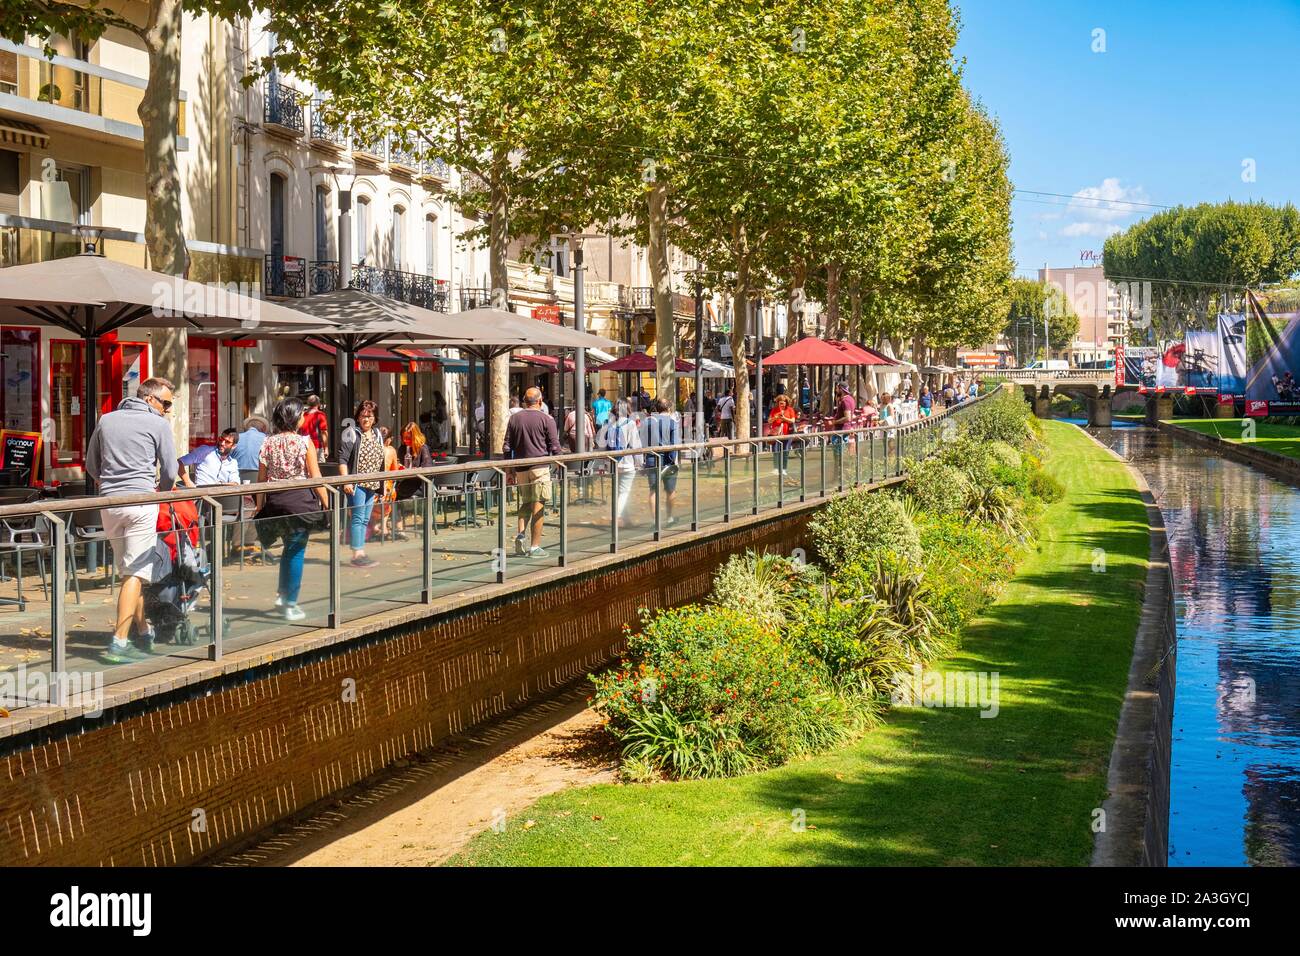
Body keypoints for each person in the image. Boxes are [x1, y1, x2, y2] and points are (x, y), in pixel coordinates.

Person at [85, 377, 179, 663]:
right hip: (141, 502)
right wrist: (159, 493)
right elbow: (171, 470)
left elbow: (91, 464)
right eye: (166, 403)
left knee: (130, 573)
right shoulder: (158, 425)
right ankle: (119, 642)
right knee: (135, 572)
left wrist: (109, 483)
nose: (167, 410)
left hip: (110, 503)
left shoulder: (107, 420)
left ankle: (143, 630)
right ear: (149, 399)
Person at [255, 397, 329, 622]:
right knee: (297, 550)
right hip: (299, 503)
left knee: (288, 548)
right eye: (302, 413)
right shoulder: (305, 442)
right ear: (295, 418)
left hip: (276, 502)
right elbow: (315, 477)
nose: (304, 417)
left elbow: (261, 480)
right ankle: (291, 602)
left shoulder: (267, 443)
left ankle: (282, 594)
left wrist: (260, 508)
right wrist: (327, 503)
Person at [503, 386, 561, 558]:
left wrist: (509, 470)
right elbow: (555, 446)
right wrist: (560, 465)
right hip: (540, 467)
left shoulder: (514, 419)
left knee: (526, 502)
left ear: (524, 402)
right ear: (540, 401)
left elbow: (507, 446)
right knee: (539, 505)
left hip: (521, 468)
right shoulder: (547, 419)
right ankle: (535, 546)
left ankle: (521, 534)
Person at [337, 399, 385, 568]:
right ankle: (357, 553)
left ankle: (360, 550)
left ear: (375, 418)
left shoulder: (378, 434)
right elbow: (342, 459)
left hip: (372, 484)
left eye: (369, 416)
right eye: (363, 416)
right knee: (358, 518)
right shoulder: (352, 433)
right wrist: (346, 481)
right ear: (357, 417)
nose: (366, 419)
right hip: (357, 483)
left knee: (365, 518)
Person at [604, 400, 643, 529]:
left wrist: (606, 464)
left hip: (613, 463)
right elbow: (636, 445)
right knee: (624, 492)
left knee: (619, 492)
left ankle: (626, 520)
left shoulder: (610, 424)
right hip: (627, 463)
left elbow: (605, 446)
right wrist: (639, 462)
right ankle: (615, 517)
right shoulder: (630, 424)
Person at [641, 398, 681, 526]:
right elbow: (674, 445)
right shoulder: (672, 422)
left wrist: (645, 458)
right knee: (670, 490)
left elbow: (643, 441)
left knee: (653, 491)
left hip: (652, 459)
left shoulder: (648, 422)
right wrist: (672, 461)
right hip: (667, 461)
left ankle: (654, 521)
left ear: (656, 409)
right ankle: (669, 518)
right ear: (669, 408)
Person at [767, 393, 797, 476]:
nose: (781, 405)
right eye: (780, 403)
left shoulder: (790, 409)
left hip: (787, 433)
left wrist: (784, 418)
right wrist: (775, 418)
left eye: (783, 403)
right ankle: (776, 468)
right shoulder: (774, 410)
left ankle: (784, 469)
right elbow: (769, 420)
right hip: (776, 434)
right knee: (775, 450)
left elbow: (793, 420)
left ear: (786, 403)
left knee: (785, 451)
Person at [298, 394, 329, 461]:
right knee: (320, 467)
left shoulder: (302, 415)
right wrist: (326, 448)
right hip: (317, 447)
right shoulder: (320, 415)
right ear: (318, 403)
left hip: (304, 446)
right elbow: (324, 432)